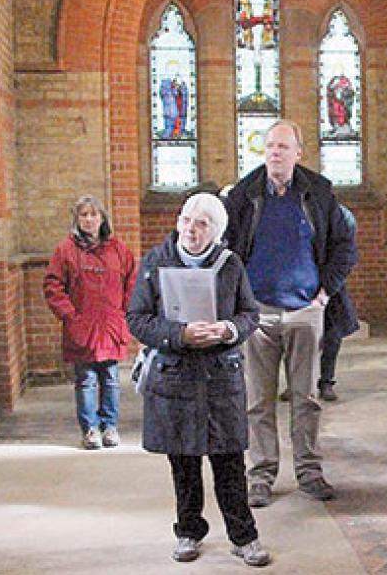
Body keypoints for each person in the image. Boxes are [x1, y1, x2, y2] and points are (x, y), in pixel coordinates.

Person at [125, 193, 270, 567]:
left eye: (201, 223)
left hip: (220, 377)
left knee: (229, 462)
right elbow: (137, 318)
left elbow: (249, 314)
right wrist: (179, 335)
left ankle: (244, 536)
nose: (191, 229)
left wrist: (226, 330)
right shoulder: (156, 261)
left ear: (216, 231)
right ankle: (188, 530)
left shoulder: (230, 264)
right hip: (176, 378)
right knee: (184, 463)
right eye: (186, 220)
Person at [223, 119, 357, 508]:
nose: (275, 153)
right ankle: (261, 475)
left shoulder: (319, 192)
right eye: (270, 147)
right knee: (257, 401)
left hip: (305, 310)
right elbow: (225, 248)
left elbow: (345, 246)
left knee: (306, 398)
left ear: (299, 153)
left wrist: (325, 292)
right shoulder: (244, 195)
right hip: (258, 313)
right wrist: (238, 300)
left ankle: (309, 471)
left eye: (283, 147)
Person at [42, 195, 136, 450]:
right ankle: (90, 429)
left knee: (111, 378)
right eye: (84, 215)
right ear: (77, 220)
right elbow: (53, 285)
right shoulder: (66, 250)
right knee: (86, 380)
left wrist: (124, 312)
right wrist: (69, 316)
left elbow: (132, 282)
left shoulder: (118, 250)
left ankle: (110, 426)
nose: (89, 220)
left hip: (110, 325)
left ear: (103, 219)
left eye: (94, 214)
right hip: (82, 326)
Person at [316, 203, 360, 402]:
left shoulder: (342, 216)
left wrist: (329, 287)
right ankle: (297, 382)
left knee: (331, 337)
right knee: (296, 336)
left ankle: (326, 381)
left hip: (332, 284)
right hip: (303, 283)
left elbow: (346, 255)